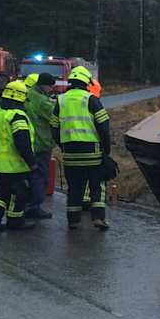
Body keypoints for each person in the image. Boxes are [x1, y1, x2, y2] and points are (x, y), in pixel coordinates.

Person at [51, 66, 112, 230]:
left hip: (70, 153)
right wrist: (106, 149)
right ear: (86, 82)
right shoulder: (91, 99)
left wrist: (62, 145)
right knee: (96, 186)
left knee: (75, 188)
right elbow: (104, 126)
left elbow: (54, 127)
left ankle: (73, 220)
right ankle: (98, 218)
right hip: (92, 151)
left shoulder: (60, 100)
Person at [0, 80, 38, 231]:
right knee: (21, 192)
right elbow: (22, 142)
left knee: (3, 190)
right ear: (21, 98)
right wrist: (32, 162)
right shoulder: (17, 116)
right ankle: (15, 222)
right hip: (15, 165)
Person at [22, 73, 57, 220]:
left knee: (27, 176)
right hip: (41, 143)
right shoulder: (42, 101)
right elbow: (54, 115)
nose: (51, 90)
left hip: (26, 142)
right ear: (46, 85)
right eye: (51, 87)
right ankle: (34, 207)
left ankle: (23, 205)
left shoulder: (28, 94)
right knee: (40, 176)